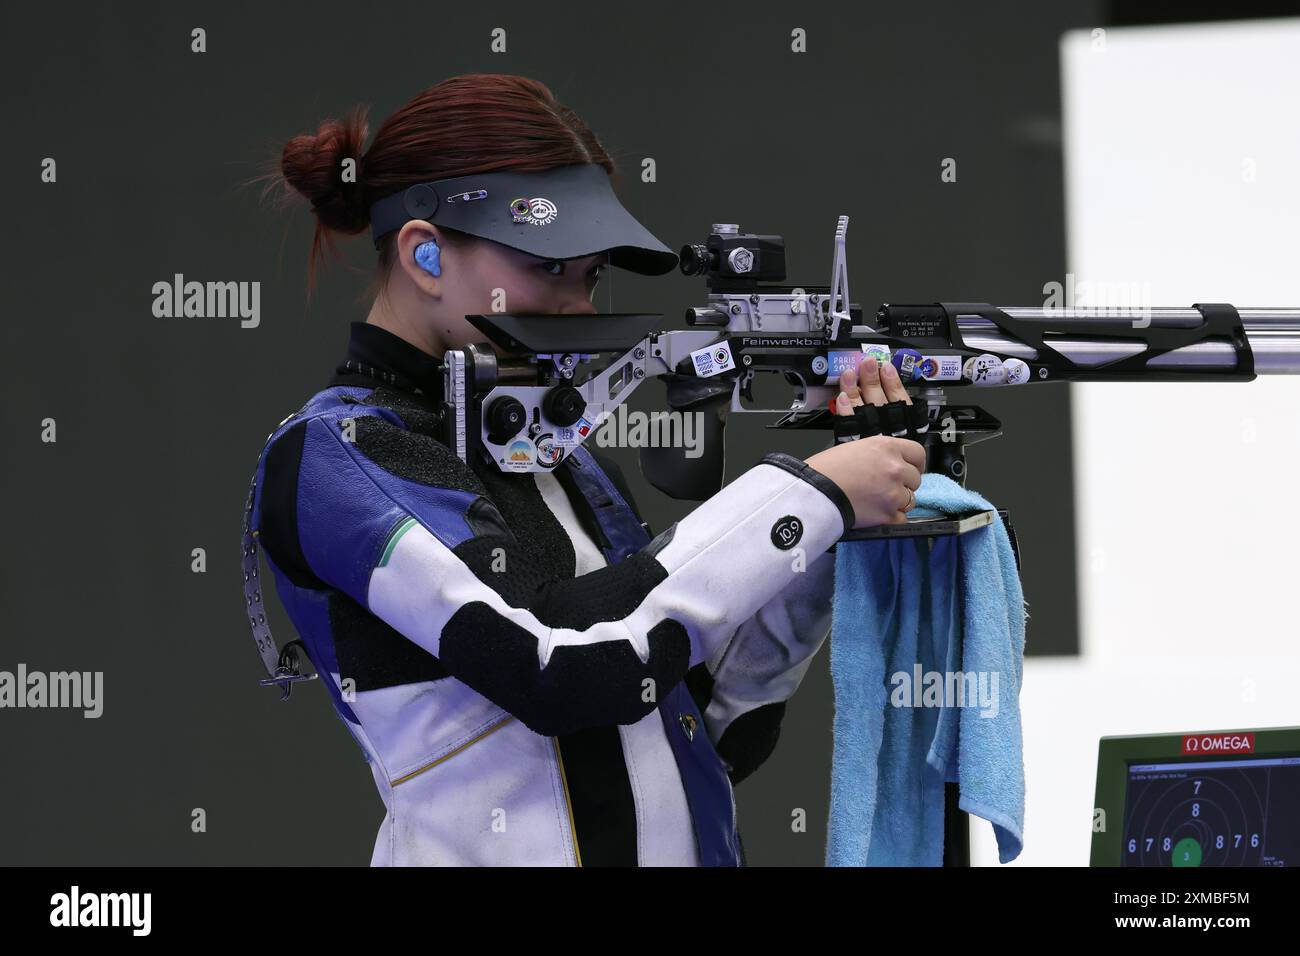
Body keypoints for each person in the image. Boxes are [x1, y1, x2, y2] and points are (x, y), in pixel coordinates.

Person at [247, 73, 924, 866]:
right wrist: (805, 497)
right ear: (423, 254)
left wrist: (830, 534)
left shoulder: (550, 446)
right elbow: (557, 671)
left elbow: (696, 724)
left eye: (591, 274)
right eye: (549, 266)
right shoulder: (337, 457)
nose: (578, 307)